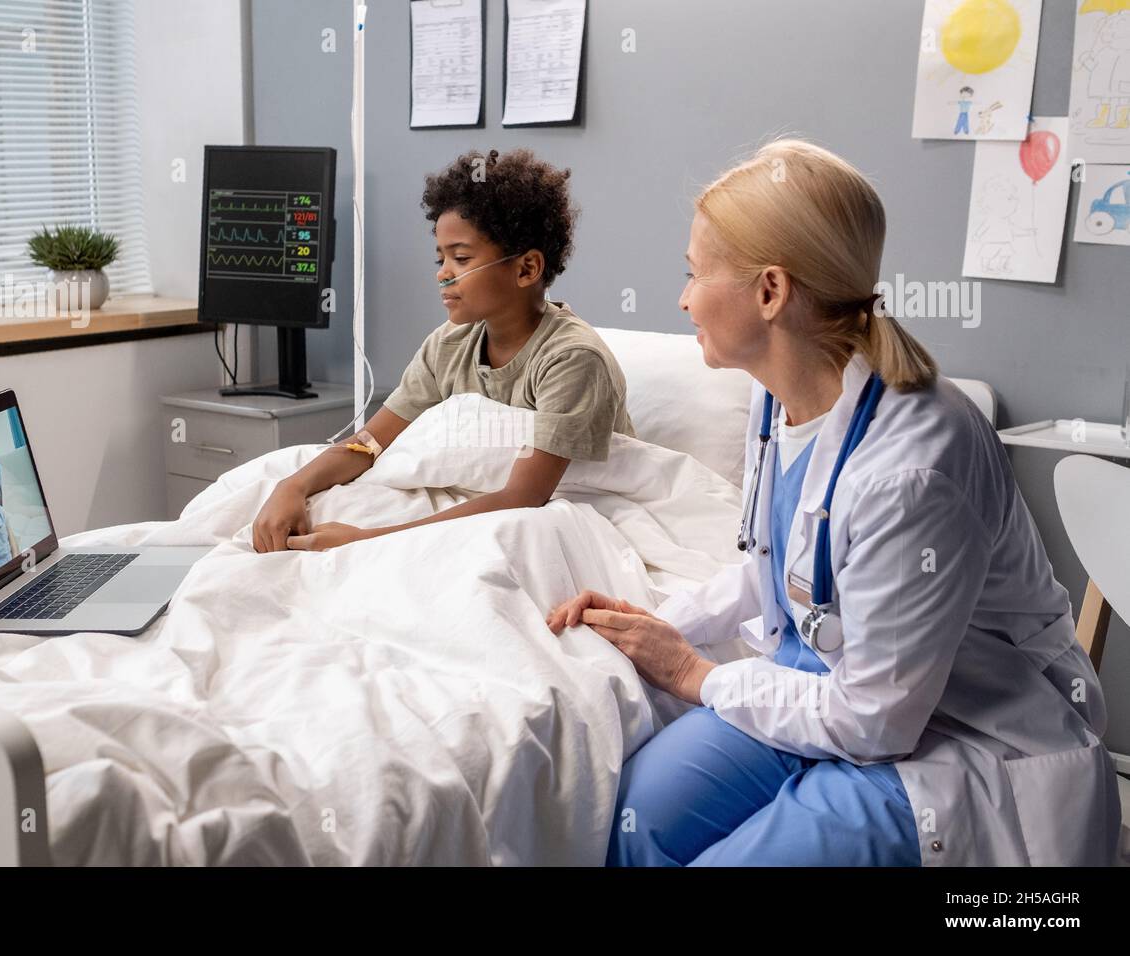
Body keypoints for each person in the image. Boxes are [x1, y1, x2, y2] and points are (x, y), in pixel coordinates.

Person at [547, 139, 1121, 866]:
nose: (684, 298)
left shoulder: (913, 468)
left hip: (950, 734)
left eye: (694, 275)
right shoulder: (775, 399)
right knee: (637, 821)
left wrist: (697, 674)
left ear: (770, 292)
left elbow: (878, 721)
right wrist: (658, 625)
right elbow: (781, 572)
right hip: (816, 684)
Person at [253, 148, 635, 553]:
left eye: (461, 258)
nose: (443, 273)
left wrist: (364, 541)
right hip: (468, 500)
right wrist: (292, 486)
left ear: (526, 269)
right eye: (441, 258)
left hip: (560, 512)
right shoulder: (448, 346)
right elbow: (370, 443)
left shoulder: (571, 360)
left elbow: (525, 498)